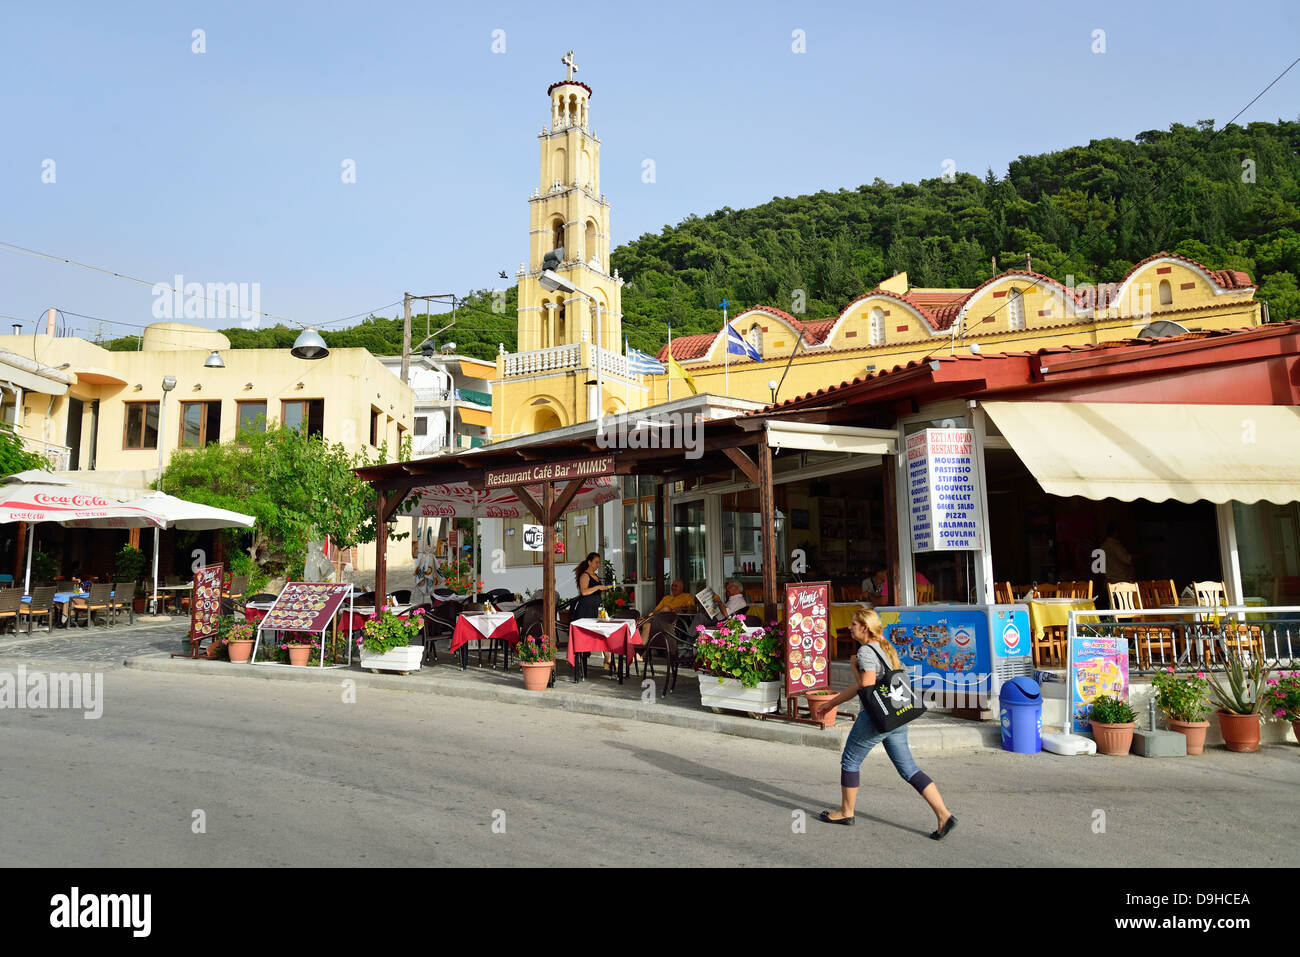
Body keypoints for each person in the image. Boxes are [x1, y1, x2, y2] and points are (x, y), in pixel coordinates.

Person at [810, 607, 956, 839]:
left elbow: (865, 686)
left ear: (864, 628)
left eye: (853, 624)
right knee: (909, 769)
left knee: (850, 760)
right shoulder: (885, 648)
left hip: (877, 717)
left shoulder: (867, 651)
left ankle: (846, 812)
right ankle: (944, 815)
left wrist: (843, 685)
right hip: (897, 715)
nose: (849, 627)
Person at [639, 577, 696, 643]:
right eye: (672, 585)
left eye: (676, 586)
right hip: (659, 619)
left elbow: (693, 609)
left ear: (681, 588)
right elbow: (656, 610)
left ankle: (647, 620)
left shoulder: (687, 596)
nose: (673, 587)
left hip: (674, 622)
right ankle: (641, 651)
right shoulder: (667, 598)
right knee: (647, 625)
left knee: (666, 608)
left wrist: (681, 608)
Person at [572, 552, 609, 620]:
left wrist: (603, 589)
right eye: (596, 562)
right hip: (587, 608)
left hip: (595, 607)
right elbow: (584, 592)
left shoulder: (596, 576)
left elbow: (595, 592)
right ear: (589, 562)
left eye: (599, 562)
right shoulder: (585, 575)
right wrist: (598, 587)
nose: (598, 565)